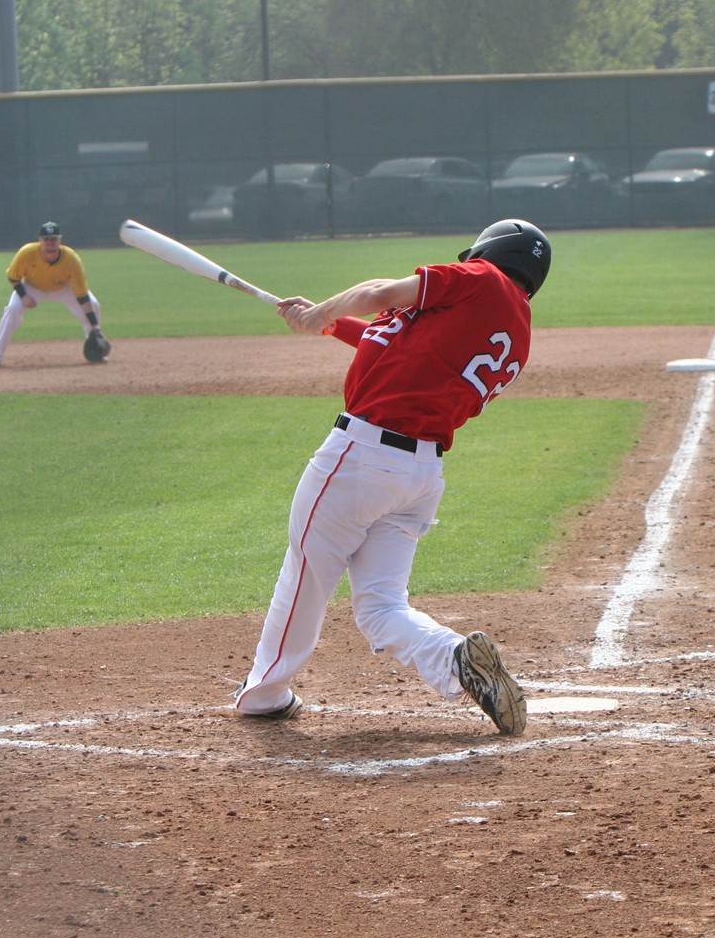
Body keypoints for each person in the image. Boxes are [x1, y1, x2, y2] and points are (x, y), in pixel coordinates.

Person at [232, 219, 552, 736]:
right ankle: (455, 657)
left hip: (359, 459)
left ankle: (266, 693)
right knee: (381, 606)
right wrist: (328, 322)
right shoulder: (515, 330)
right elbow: (398, 342)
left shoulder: (481, 278)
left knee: (306, 573)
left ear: (490, 253)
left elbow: (379, 294)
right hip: (419, 476)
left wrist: (324, 310)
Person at [0, 222, 106, 367]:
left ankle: (96, 346)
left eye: (53, 239)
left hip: (63, 288)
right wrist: (24, 296)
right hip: (32, 287)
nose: (50, 242)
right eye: (46, 239)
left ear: (60, 240)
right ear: (40, 240)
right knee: (12, 309)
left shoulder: (72, 259)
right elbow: (13, 277)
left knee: (93, 304)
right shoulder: (27, 253)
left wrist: (95, 326)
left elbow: (82, 296)